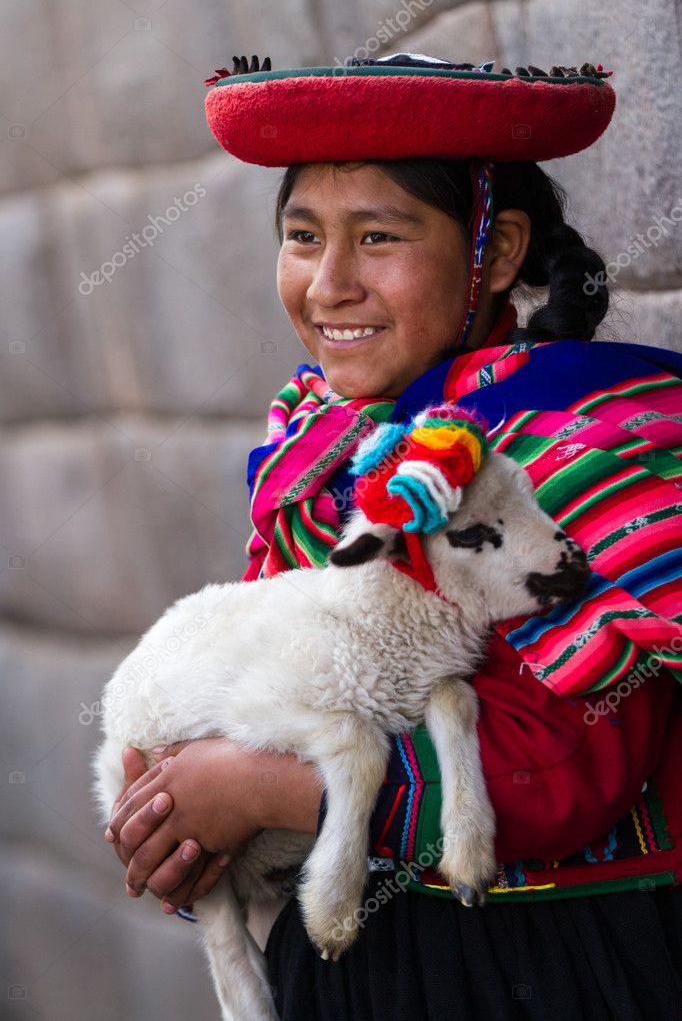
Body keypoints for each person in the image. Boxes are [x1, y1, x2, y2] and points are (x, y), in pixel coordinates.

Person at [105, 53, 682, 1019]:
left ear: (498, 252)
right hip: (348, 971)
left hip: (544, 964)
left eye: (378, 237)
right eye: (302, 237)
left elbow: (564, 771)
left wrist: (258, 788)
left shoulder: (573, 445)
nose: (330, 284)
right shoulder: (316, 449)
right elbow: (272, 680)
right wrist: (190, 822)